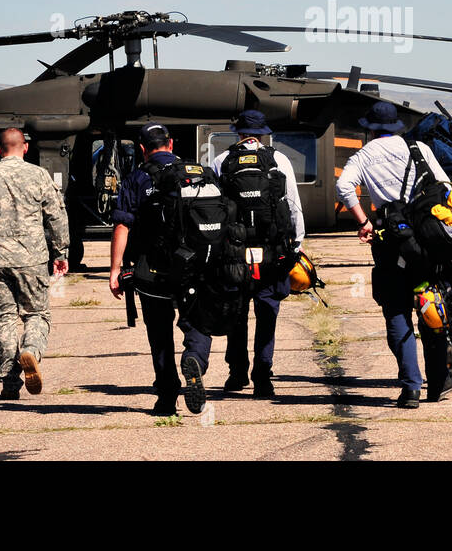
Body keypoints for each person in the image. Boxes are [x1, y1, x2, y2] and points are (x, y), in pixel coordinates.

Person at [335, 100, 452, 408]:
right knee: (430, 305)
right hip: (425, 243)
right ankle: (438, 382)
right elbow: (444, 185)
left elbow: (344, 186)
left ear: (371, 130)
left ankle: (410, 387)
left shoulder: (363, 156)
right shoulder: (419, 150)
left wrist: (363, 221)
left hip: (388, 242)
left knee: (396, 311)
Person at [109, 123, 217, 416]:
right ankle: (195, 358)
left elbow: (123, 224)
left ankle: (167, 397)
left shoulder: (137, 178)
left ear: (143, 149)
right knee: (197, 322)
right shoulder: (197, 173)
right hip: (195, 266)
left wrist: (116, 269)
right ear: (170, 144)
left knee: (158, 332)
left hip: (153, 269)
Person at [0, 127, 70, 400]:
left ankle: (9, 383)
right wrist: (61, 252)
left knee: (2, 321)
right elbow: (56, 216)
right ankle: (30, 349)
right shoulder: (39, 176)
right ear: (25, 148)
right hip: (32, 259)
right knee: (37, 314)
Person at [211, 109, 306, 398]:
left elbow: (215, 206)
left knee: (236, 311)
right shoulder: (278, 159)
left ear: (237, 133)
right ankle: (263, 376)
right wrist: (297, 244)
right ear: (263, 133)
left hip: (235, 250)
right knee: (267, 311)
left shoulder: (221, 161)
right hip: (272, 249)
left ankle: (237, 373)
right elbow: (292, 204)